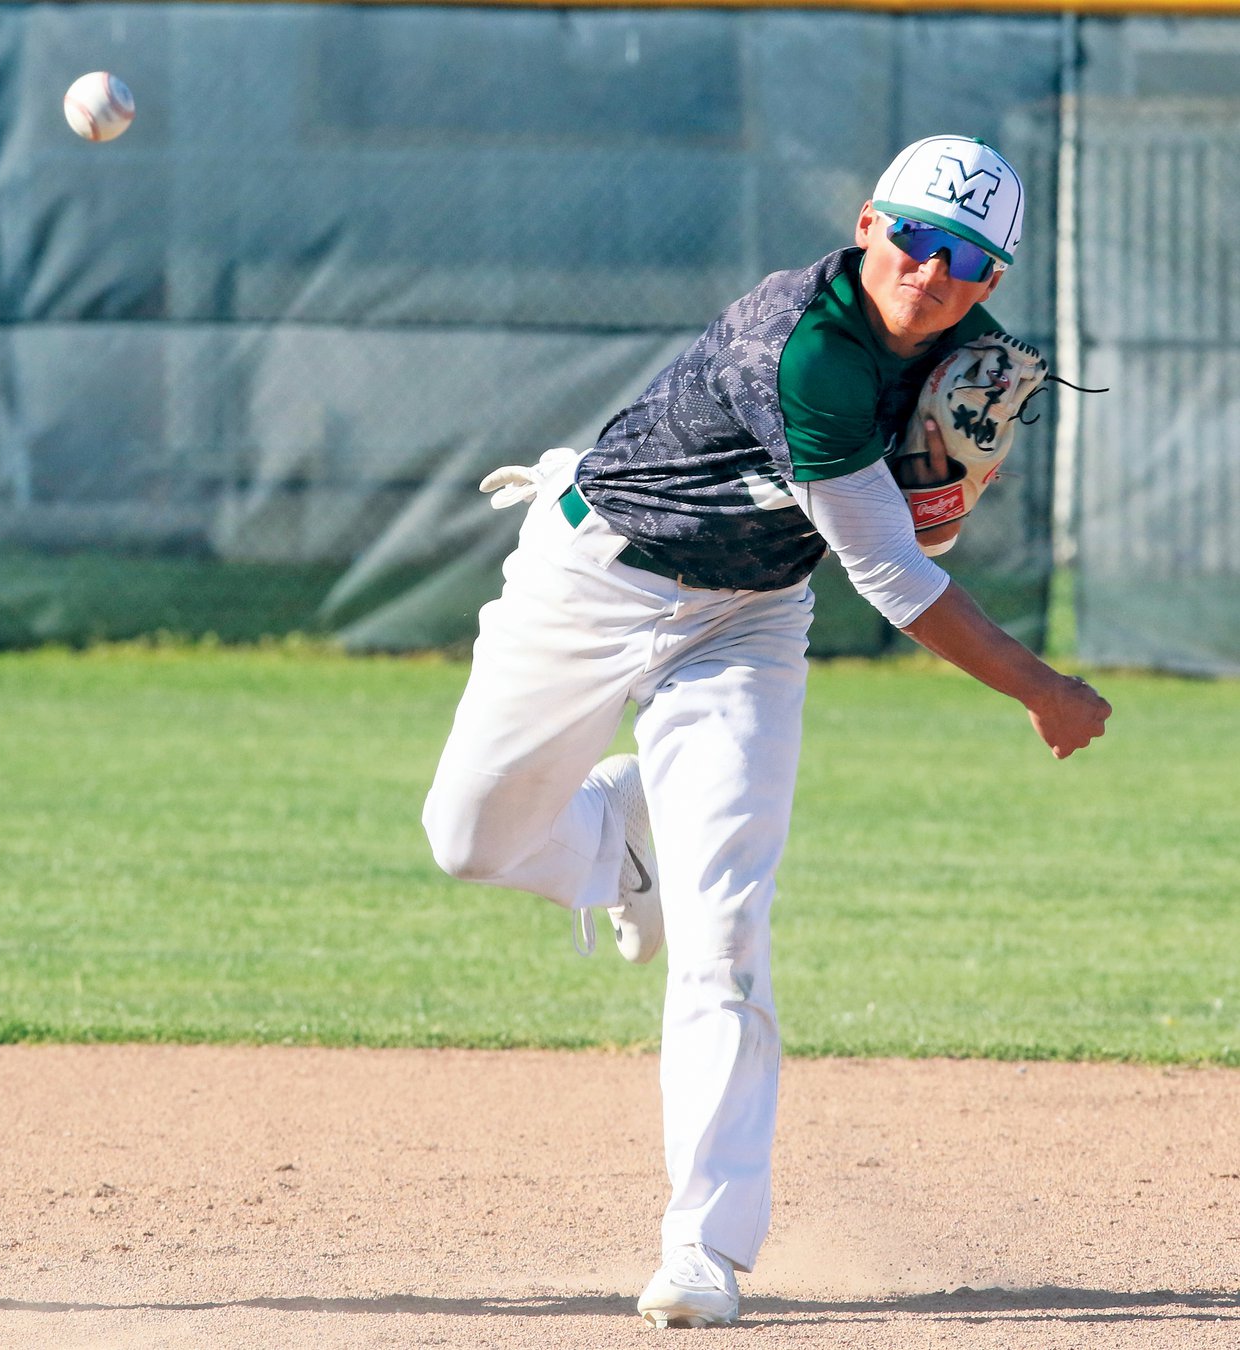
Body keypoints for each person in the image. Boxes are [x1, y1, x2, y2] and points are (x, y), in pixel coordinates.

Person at [421, 136, 1111, 1328]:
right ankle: (626, 843)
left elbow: (914, 537)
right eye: (915, 236)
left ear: (991, 280)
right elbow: (893, 577)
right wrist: (1043, 690)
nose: (931, 270)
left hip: (745, 623)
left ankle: (705, 1248)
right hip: (596, 575)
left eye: (965, 258)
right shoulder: (802, 344)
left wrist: (951, 483)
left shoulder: (961, 357)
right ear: (866, 224)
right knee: (468, 841)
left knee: (725, 929)